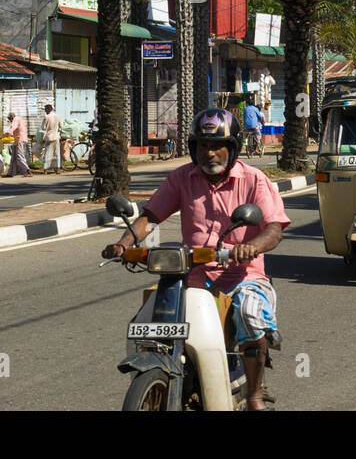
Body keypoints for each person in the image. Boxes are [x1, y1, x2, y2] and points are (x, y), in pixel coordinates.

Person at [101, 108, 289, 411]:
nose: (210, 153)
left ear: (232, 148)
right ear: (193, 148)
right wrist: (123, 244)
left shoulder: (254, 180)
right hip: (192, 276)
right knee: (148, 321)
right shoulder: (181, 178)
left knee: (251, 315)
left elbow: (274, 228)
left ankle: (254, 394)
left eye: (217, 146)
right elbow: (151, 217)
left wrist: (251, 246)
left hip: (242, 277)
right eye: (203, 145)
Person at [7, 112, 31, 177]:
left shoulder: (16, 119)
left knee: (19, 156)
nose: (10, 121)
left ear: (12, 117)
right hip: (18, 139)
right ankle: (11, 173)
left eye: (10, 119)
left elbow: (13, 127)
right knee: (14, 157)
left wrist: (8, 133)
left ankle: (27, 170)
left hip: (19, 139)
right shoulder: (20, 119)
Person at [41, 104, 62, 175]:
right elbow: (61, 126)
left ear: (47, 109)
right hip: (56, 136)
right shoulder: (58, 116)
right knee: (57, 153)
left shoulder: (46, 117)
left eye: (45, 109)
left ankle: (46, 169)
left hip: (49, 137)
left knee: (48, 153)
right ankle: (58, 169)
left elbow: (43, 127)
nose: (45, 111)